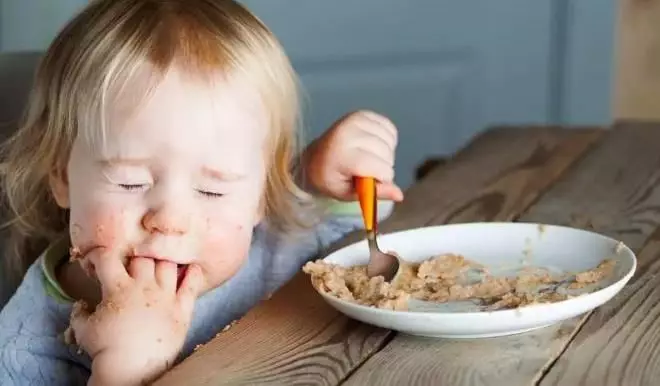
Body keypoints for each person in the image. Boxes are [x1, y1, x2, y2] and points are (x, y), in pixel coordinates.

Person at [0, 0, 403, 384]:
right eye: (130, 183)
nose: (170, 220)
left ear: (262, 194)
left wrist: (320, 175)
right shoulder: (25, 348)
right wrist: (124, 372)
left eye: (212, 189)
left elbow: (357, 227)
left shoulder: (268, 248)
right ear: (62, 177)